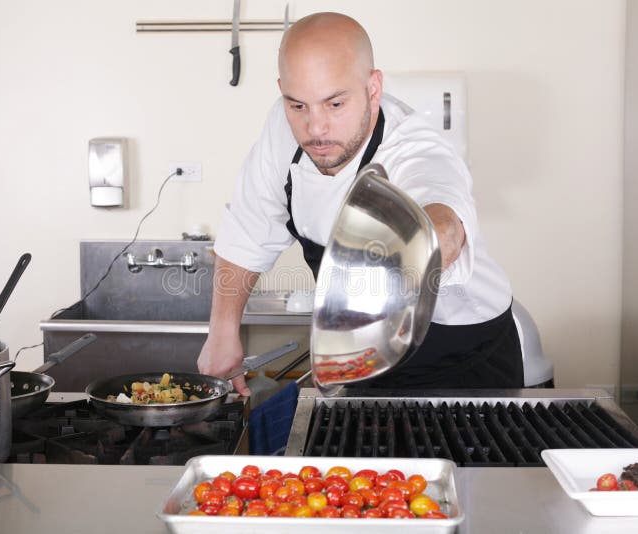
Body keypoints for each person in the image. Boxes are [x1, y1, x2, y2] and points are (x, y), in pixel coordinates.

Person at [197, 12, 523, 395]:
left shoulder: (415, 149)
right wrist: (222, 333)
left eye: (335, 104)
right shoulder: (283, 128)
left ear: (373, 88)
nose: (315, 128)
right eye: (297, 105)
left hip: (463, 360)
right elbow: (247, 231)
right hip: (368, 361)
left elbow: (447, 227)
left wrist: (398, 262)